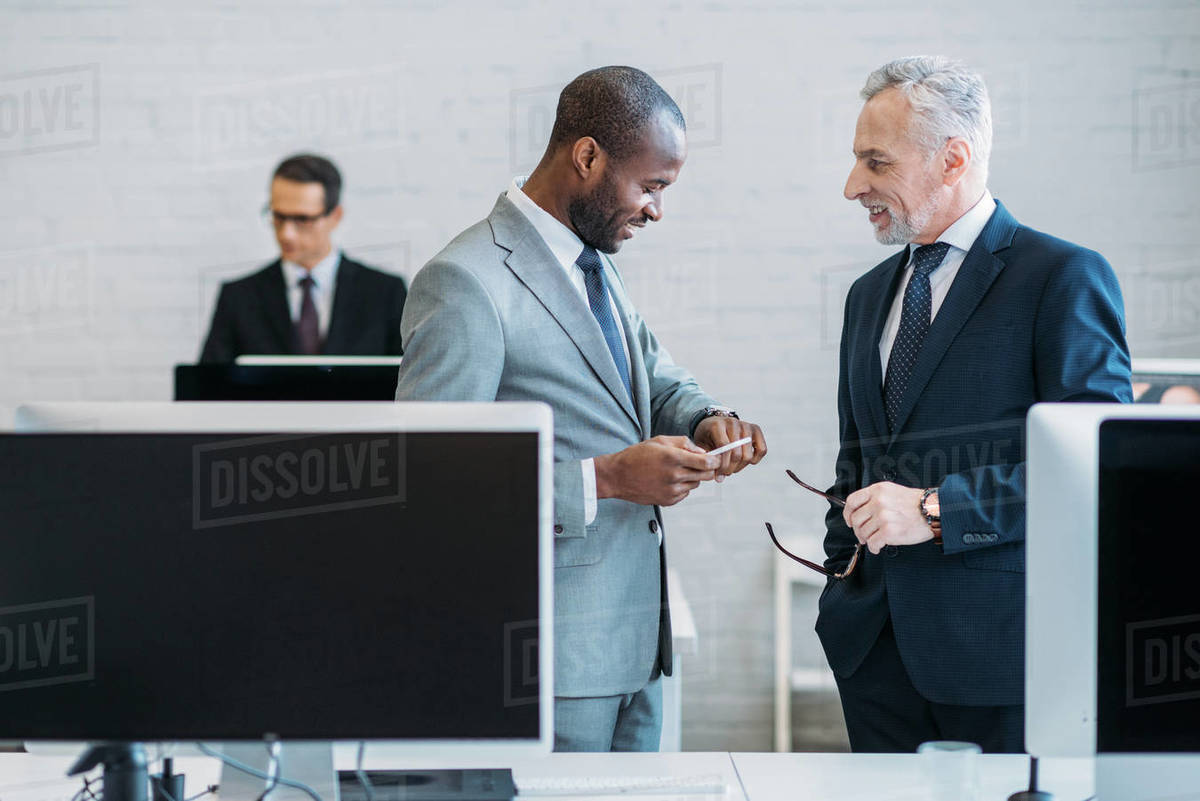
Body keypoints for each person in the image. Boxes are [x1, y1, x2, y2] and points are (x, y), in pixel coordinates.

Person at [394, 66, 766, 751]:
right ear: (588, 157)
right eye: (650, 187)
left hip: (638, 650)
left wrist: (703, 417)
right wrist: (607, 479)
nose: (657, 209)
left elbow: (645, 372)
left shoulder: (594, 259)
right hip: (546, 667)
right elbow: (426, 485)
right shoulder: (464, 284)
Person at [818, 56, 1132, 753]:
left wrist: (934, 510)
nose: (852, 186)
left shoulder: (1061, 278)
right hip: (871, 655)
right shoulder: (867, 295)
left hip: (1004, 659)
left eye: (876, 162)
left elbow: (1098, 467)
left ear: (953, 159)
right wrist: (840, 587)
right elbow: (859, 460)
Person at [200, 154, 407, 362]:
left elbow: (408, 383)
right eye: (278, 217)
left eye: (302, 219)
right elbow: (206, 388)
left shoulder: (386, 293)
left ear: (335, 216)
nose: (286, 234)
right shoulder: (238, 297)